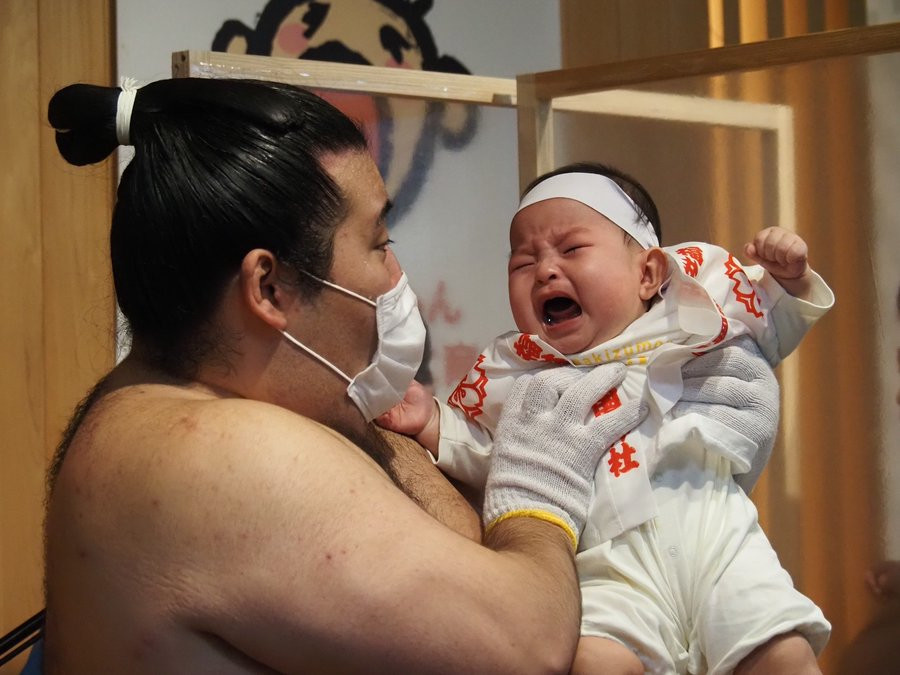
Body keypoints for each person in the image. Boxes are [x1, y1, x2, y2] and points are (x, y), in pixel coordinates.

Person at [43, 78, 780, 673]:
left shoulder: (251, 395)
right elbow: (522, 643)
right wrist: (539, 485)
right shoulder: (209, 451)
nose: (397, 276)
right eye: (378, 242)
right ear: (269, 289)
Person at [378, 163, 834, 674]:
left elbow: (771, 322)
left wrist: (788, 275)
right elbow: (497, 453)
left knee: (782, 653)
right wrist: (431, 421)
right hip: (604, 566)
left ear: (648, 273)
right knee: (596, 660)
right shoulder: (524, 370)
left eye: (571, 249)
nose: (546, 270)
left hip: (716, 537)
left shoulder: (692, 316)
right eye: (523, 262)